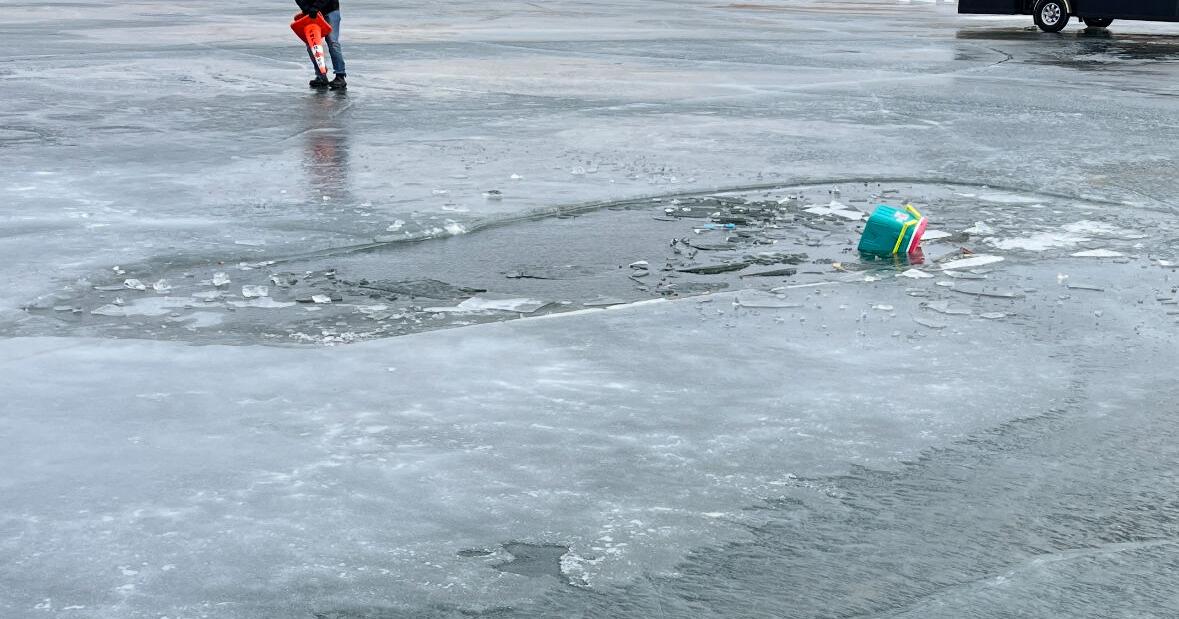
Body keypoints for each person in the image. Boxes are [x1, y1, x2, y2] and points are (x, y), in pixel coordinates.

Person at [297, 0, 346, 90]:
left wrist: (315, 7)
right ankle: (321, 76)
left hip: (330, 10)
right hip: (310, 13)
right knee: (311, 44)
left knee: (332, 42)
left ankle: (340, 76)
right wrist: (306, 8)